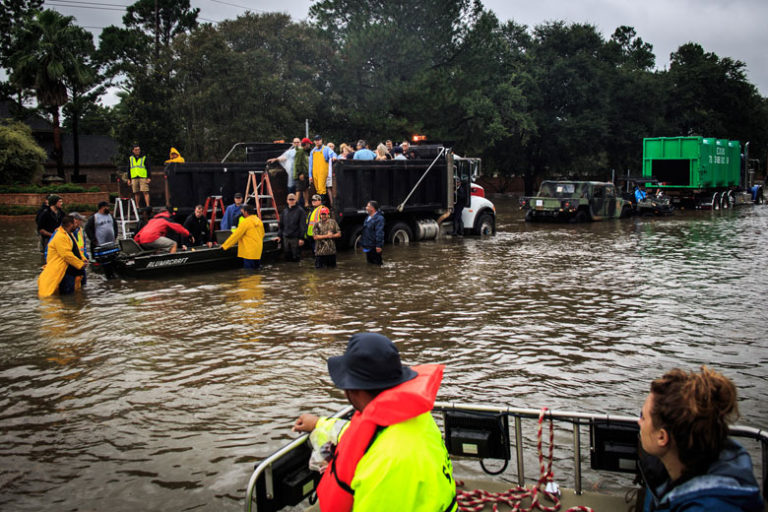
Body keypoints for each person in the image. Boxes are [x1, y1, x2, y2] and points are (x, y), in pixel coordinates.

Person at [292, 332, 457, 512]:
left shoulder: (385, 464)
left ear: (354, 391)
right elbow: (362, 435)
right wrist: (318, 424)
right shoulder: (416, 417)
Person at [638, 367, 764, 512]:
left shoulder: (709, 508)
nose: (639, 422)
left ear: (662, 437)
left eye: (643, 417)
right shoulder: (715, 461)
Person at [38, 215, 88, 297]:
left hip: (73, 269)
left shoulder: (69, 234)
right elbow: (66, 255)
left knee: (77, 293)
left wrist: (84, 259)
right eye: (75, 223)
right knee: (68, 295)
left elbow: (76, 249)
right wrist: (80, 264)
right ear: (70, 224)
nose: (77, 225)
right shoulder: (60, 236)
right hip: (65, 271)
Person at [220, 204, 264, 269]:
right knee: (256, 270)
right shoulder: (259, 221)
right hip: (258, 252)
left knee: (248, 273)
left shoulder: (245, 222)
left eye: (242, 212)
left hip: (248, 253)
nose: (241, 213)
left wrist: (225, 246)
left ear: (246, 212)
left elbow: (235, 236)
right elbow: (262, 234)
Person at [276, 193, 306, 262]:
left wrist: (301, 238)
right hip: (286, 237)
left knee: (296, 257)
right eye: (290, 200)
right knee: (286, 256)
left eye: (293, 199)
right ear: (287, 201)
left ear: (295, 200)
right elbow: (281, 225)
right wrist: (279, 236)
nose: (291, 201)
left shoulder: (300, 211)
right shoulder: (284, 211)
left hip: (295, 238)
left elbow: (303, 225)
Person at [309, 135, 336, 204]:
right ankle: (320, 204)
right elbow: (310, 164)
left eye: (319, 140)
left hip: (322, 173)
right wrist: (310, 175)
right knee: (317, 189)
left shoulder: (326, 149)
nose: (317, 141)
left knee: (322, 189)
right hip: (315, 173)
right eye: (316, 140)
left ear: (321, 140)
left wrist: (334, 157)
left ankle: (322, 204)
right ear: (314, 141)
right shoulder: (313, 151)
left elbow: (332, 154)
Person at [361, 200, 384, 266]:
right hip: (368, 245)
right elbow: (365, 232)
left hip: (374, 246)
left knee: (377, 265)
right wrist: (363, 244)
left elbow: (379, 232)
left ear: (372, 208)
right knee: (370, 264)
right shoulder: (367, 218)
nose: (366, 208)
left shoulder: (379, 218)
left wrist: (378, 246)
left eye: (367, 206)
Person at [295, 138, 312, 207]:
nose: (309, 145)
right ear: (306, 144)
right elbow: (297, 163)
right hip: (301, 174)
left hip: (305, 174)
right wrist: (300, 173)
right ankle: (295, 205)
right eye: (309, 144)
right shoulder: (300, 151)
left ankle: (306, 204)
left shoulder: (305, 152)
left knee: (306, 189)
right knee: (299, 190)